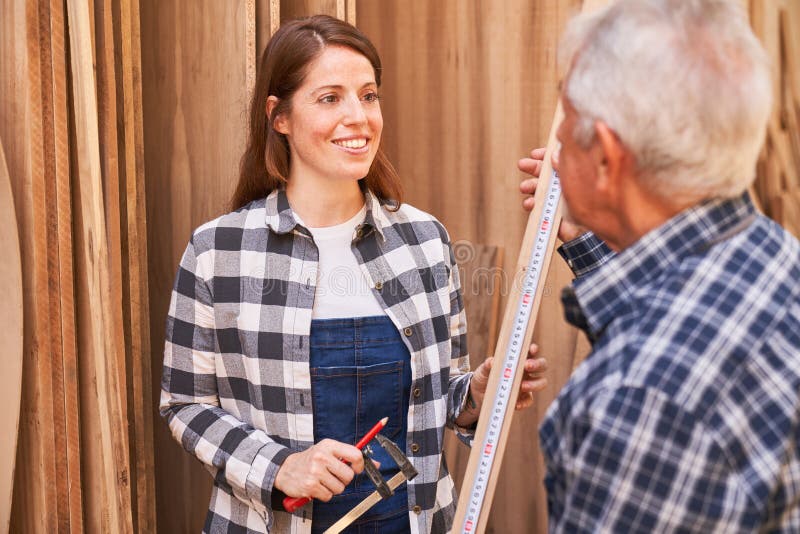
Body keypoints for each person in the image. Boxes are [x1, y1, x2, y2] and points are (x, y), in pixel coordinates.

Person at [160, 15, 548, 534]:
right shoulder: (217, 251)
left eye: (368, 95)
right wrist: (281, 467)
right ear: (279, 116)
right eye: (330, 98)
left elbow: (439, 397)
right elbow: (185, 405)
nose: (358, 117)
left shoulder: (425, 241)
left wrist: (476, 394)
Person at [518, 0, 800, 531]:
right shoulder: (771, 253)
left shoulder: (641, 405)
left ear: (605, 155)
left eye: (567, 122)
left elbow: (660, 367)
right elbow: (674, 321)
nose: (555, 146)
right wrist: (596, 234)